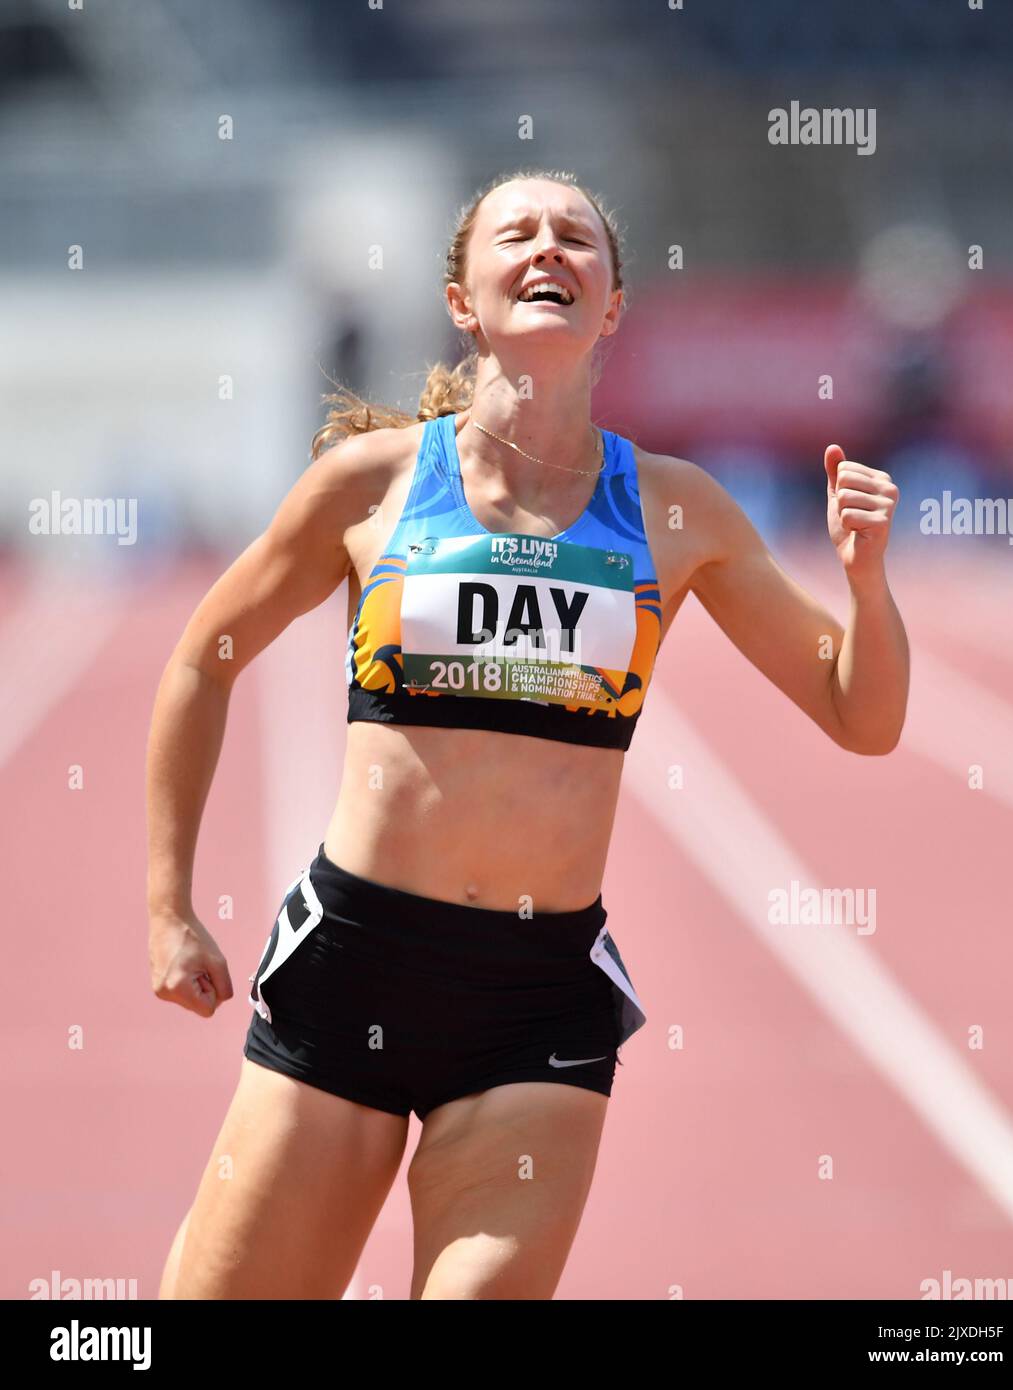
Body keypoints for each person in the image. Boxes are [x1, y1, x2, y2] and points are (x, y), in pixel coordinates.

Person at [146, 167, 909, 1300]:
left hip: (534, 1003)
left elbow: (863, 716)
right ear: (464, 298)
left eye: (578, 240)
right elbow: (199, 663)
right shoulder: (374, 486)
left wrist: (869, 585)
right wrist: (168, 904)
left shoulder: (676, 508)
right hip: (352, 965)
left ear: (611, 308)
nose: (550, 248)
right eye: (520, 234)